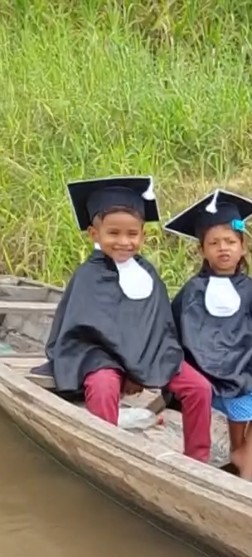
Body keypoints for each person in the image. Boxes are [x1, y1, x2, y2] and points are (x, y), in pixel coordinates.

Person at [40, 176, 212, 462]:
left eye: (132, 234)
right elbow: (85, 334)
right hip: (101, 357)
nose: (124, 241)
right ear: (94, 234)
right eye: (113, 233)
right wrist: (129, 368)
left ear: (143, 235)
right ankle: (106, 455)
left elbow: (160, 326)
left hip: (150, 355)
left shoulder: (148, 272)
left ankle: (198, 460)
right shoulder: (88, 276)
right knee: (103, 386)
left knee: (199, 388)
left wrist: (141, 368)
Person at [166, 190, 252, 479]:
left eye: (231, 242)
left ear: (243, 247)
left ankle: (246, 449)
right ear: (202, 251)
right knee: (238, 382)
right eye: (214, 243)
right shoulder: (195, 289)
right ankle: (240, 453)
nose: (223, 249)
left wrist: (251, 352)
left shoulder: (246, 286)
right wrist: (221, 357)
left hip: (243, 356)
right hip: (209, 361)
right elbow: (187, 332)